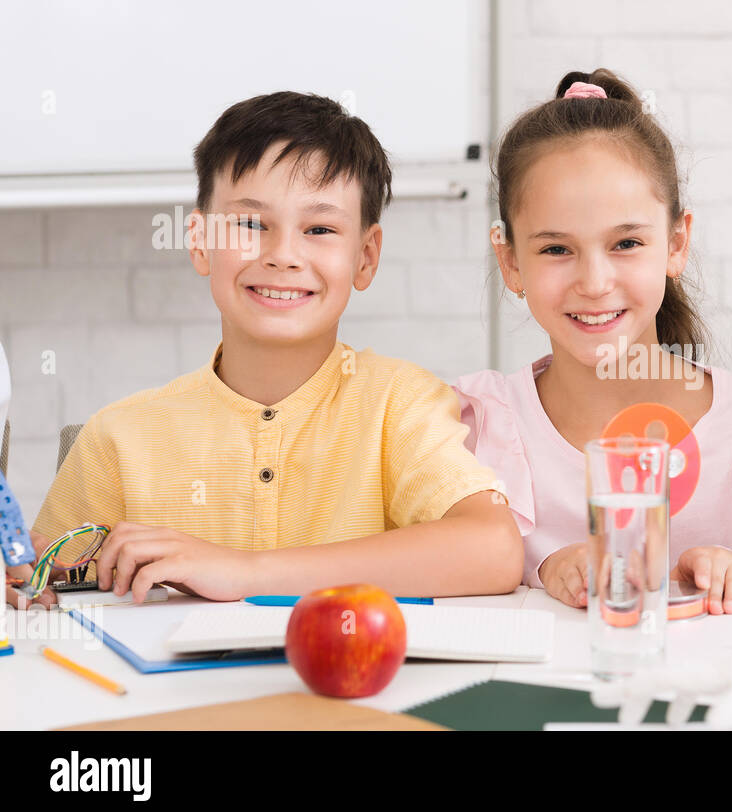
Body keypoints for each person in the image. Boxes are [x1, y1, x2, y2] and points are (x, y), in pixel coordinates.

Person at [6, 91, 521, 611]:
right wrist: (19, 590)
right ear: (201, 240)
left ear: (366, 257)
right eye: (251, 225)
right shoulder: (117, 440)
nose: (283, 256)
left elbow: (494, 550)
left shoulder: (401, 405)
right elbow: (37, 588)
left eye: (319, 229)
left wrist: (241, 572)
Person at [455, 69, 732, 615]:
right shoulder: (478, 432)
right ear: (510, 261)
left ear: (676, 244)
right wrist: (546, 568)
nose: (595, 283)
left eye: (625, 243)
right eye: (556, 249)